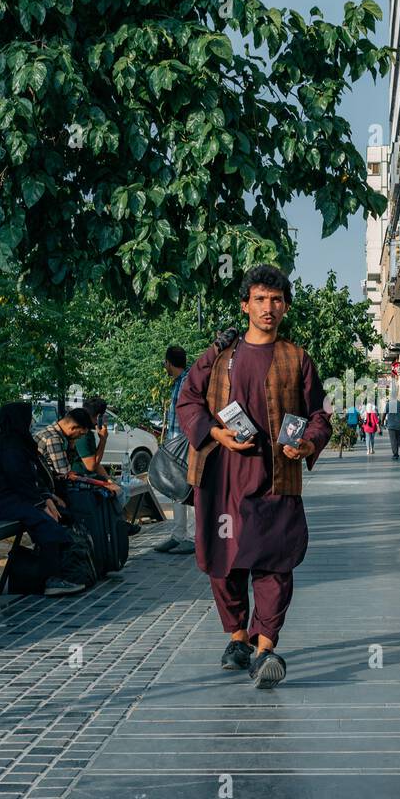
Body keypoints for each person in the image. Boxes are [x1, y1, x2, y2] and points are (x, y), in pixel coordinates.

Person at [177, 264, 332, 689]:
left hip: (275, 479)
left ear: (286, 307)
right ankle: (237, 638)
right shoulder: (219, 355)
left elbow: (318, 414)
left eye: (277, 300)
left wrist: (306, 444)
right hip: (222, 478)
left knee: (275, 563)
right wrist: (214, 433)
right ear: (245, 304)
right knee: (223, 562)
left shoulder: (297, 358)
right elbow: (188, 399)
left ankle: (265, 649)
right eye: (260, 299)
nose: (269, 307)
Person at [0, 402, 84, 596]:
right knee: (45, 522)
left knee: (62, 515)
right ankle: (50, 580)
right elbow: (18, 479)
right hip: (0, 502)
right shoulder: (7, 446)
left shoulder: (20, 442)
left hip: (18, 497)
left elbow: (35, 476)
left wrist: (47, 497)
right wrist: (41, 504)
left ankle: (65, 571)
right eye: (28, 419)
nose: (31, 424)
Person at [76, 396, 141, 536]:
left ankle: (119, 523)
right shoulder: (83, 433)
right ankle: (117, 525)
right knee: (119, 493)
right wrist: (104, 440)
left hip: (88, 476)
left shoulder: (87, 430)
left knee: (121, 489)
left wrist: (108, 479)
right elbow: (91, 465)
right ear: (99, 416)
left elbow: (95, 462)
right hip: (80, 477)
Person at [153, 346, 196, 556]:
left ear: (169, 362)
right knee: (176, 489)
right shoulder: (179, 381)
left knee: (189, 489)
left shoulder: (188, 381)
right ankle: (178, 534)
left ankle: (193, 537)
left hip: (186, 444)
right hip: (175, 445)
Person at [382, 394, 400, 460]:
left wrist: (382, 422)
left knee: (393, 440)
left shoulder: (388, 404)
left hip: (391, 425)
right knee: (397, 440)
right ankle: (396, 452)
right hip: (399, 424)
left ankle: (395, 454)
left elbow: (384, 413)